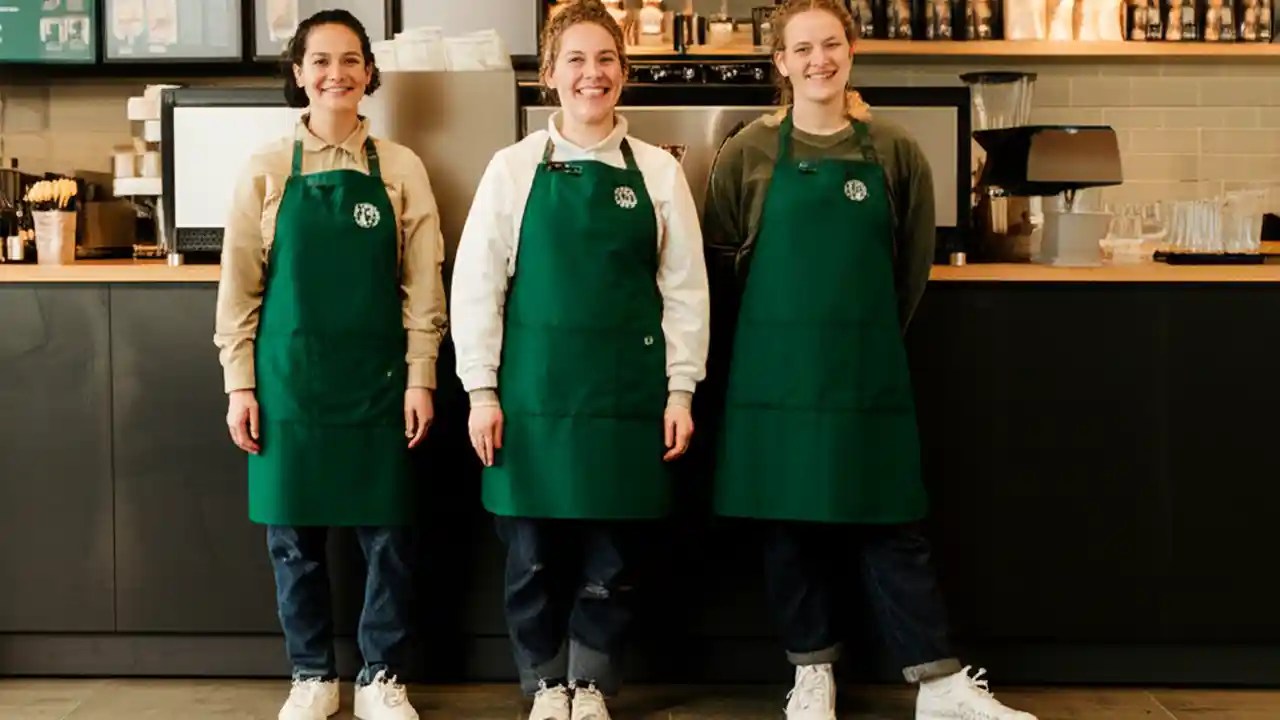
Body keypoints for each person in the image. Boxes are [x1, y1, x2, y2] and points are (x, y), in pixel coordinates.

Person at [703, 2, 1038, 719]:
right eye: (802, 48)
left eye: (831, 44)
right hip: (774, 378)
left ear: (851, 51)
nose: (818, 59)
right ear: (782, 62)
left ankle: (941, 686)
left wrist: (863, 339)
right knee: (788, 528)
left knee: (891, 522)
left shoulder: (893, 149)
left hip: (864, 372)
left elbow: (909, 271)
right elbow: (721, 263)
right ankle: (811, 673)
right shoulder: (747, 152)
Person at [450, 2, 710, 719]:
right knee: (530, 557)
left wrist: (680, 390)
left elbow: (685, 290)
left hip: (627, 397)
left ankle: (590, 682)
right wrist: (480, 390)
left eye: (606, 61)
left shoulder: (657, 172)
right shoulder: (512, 169)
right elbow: (477, 284)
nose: (592, 75)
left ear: (623, 74)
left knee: (611, 557)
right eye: (577, 60)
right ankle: (542, 684)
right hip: (531, 399)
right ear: (549, 75)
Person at [214, 9, 446, 720]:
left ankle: (381, 676)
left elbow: (423, 285)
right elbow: (240, 286)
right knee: (293, 540)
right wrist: (240, 383)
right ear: (298, 73)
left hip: (379, 382)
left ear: (369, 73)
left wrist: (420, 376)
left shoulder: (402, 167)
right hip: (288, 383)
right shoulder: (266, 170)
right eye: (320, 60)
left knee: (390, 540)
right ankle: (312, 674)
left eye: (350, 60)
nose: (335, 73)